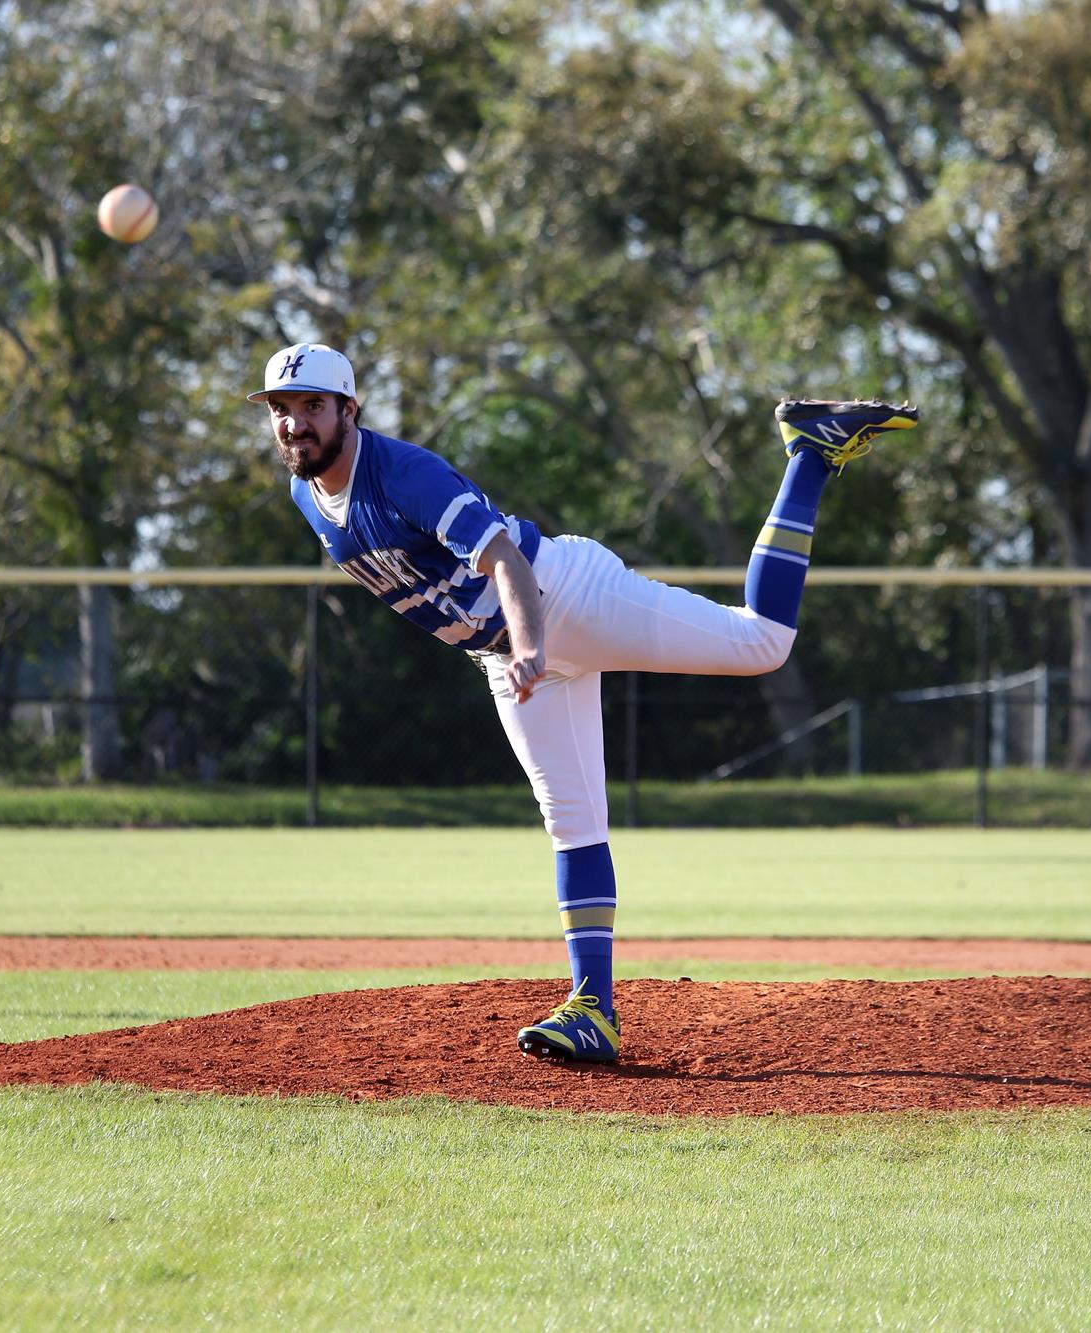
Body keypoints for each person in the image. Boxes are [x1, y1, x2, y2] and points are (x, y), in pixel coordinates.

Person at [250, 344, 916, 1062]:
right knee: (572, 821)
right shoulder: (304, 495)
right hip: (508, 656)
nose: (294, 424)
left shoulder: (403, 473)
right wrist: (517, 653)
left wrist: (531, 642)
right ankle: (592, 1010)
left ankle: (809, 454)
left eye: (312, 406)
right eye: (282, 410)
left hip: (565, 596)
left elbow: (502, 557)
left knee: (763, 644)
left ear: (350, 409)